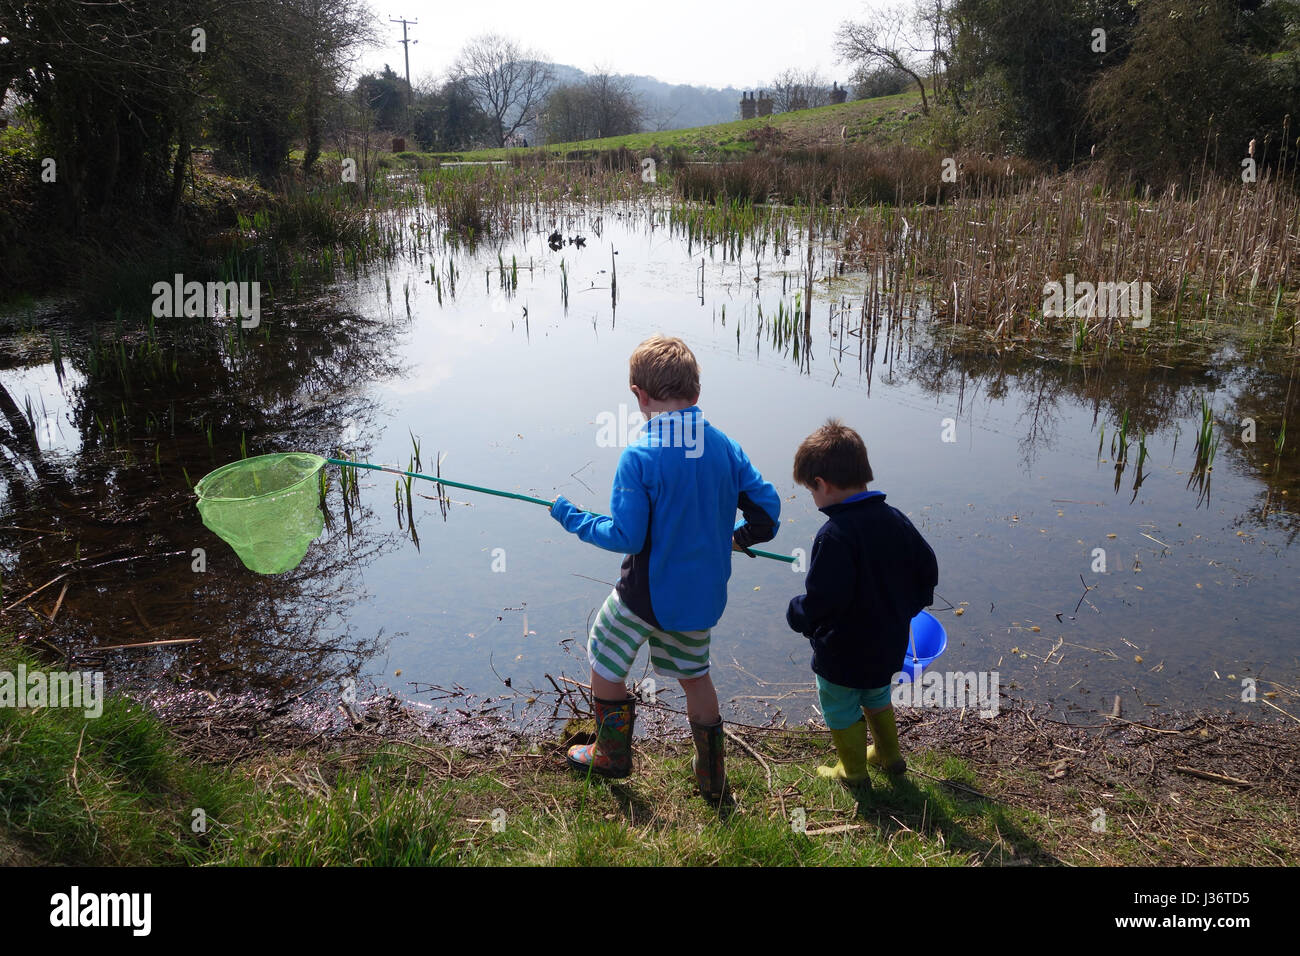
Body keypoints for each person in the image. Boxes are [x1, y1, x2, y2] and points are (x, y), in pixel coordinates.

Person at [550, 335, 780, 800]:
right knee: (695, 676)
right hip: (702, 598)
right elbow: (768, 514)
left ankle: (612, 755)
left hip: (644, 596)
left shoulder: (640, 456)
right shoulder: (725, 449)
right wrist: (737, 537)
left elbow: (627, 537)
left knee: (605, 656)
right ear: (696, 393)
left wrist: (571, 517)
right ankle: (712, 777)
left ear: (639, 395)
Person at [786, 419, 938, 783]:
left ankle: (852, 771)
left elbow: (824, 600)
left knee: (839, 704)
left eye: (811, 491)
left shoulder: (834, 535)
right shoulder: (895, 519)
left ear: (822, 484)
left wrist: (798, 613)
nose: (815, 499)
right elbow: (927, 568)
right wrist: (904, 608)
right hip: (888, 644)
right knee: (877, 693)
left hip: (843, 652)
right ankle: (889, 754)